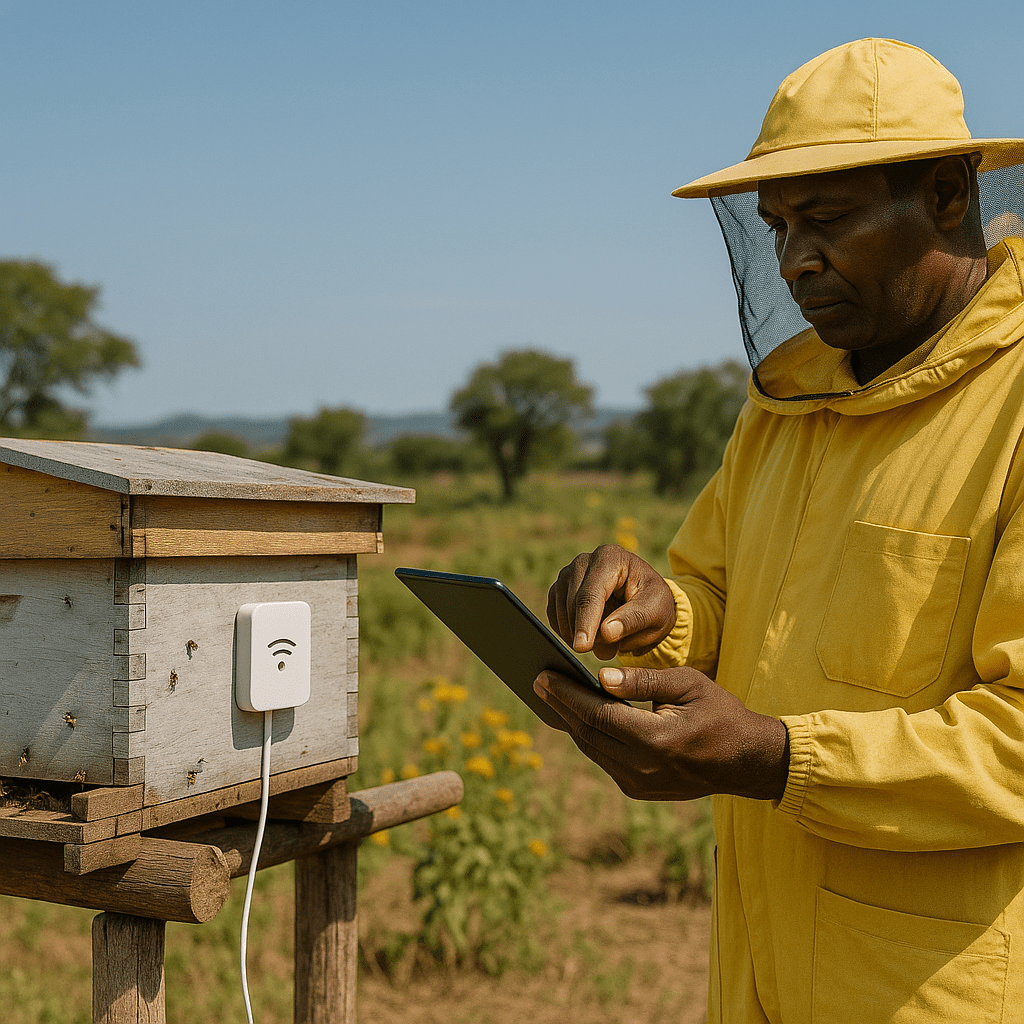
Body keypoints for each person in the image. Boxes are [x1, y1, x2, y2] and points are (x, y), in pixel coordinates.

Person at [535, 39, 1024, 1023]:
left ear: (943, 195)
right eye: (777, 225)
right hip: (757, 971)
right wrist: (653, 613)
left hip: (930, 992)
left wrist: (777, 756)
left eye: (829, 219)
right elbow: (715, 598)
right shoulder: (785, 405)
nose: (795, 258)